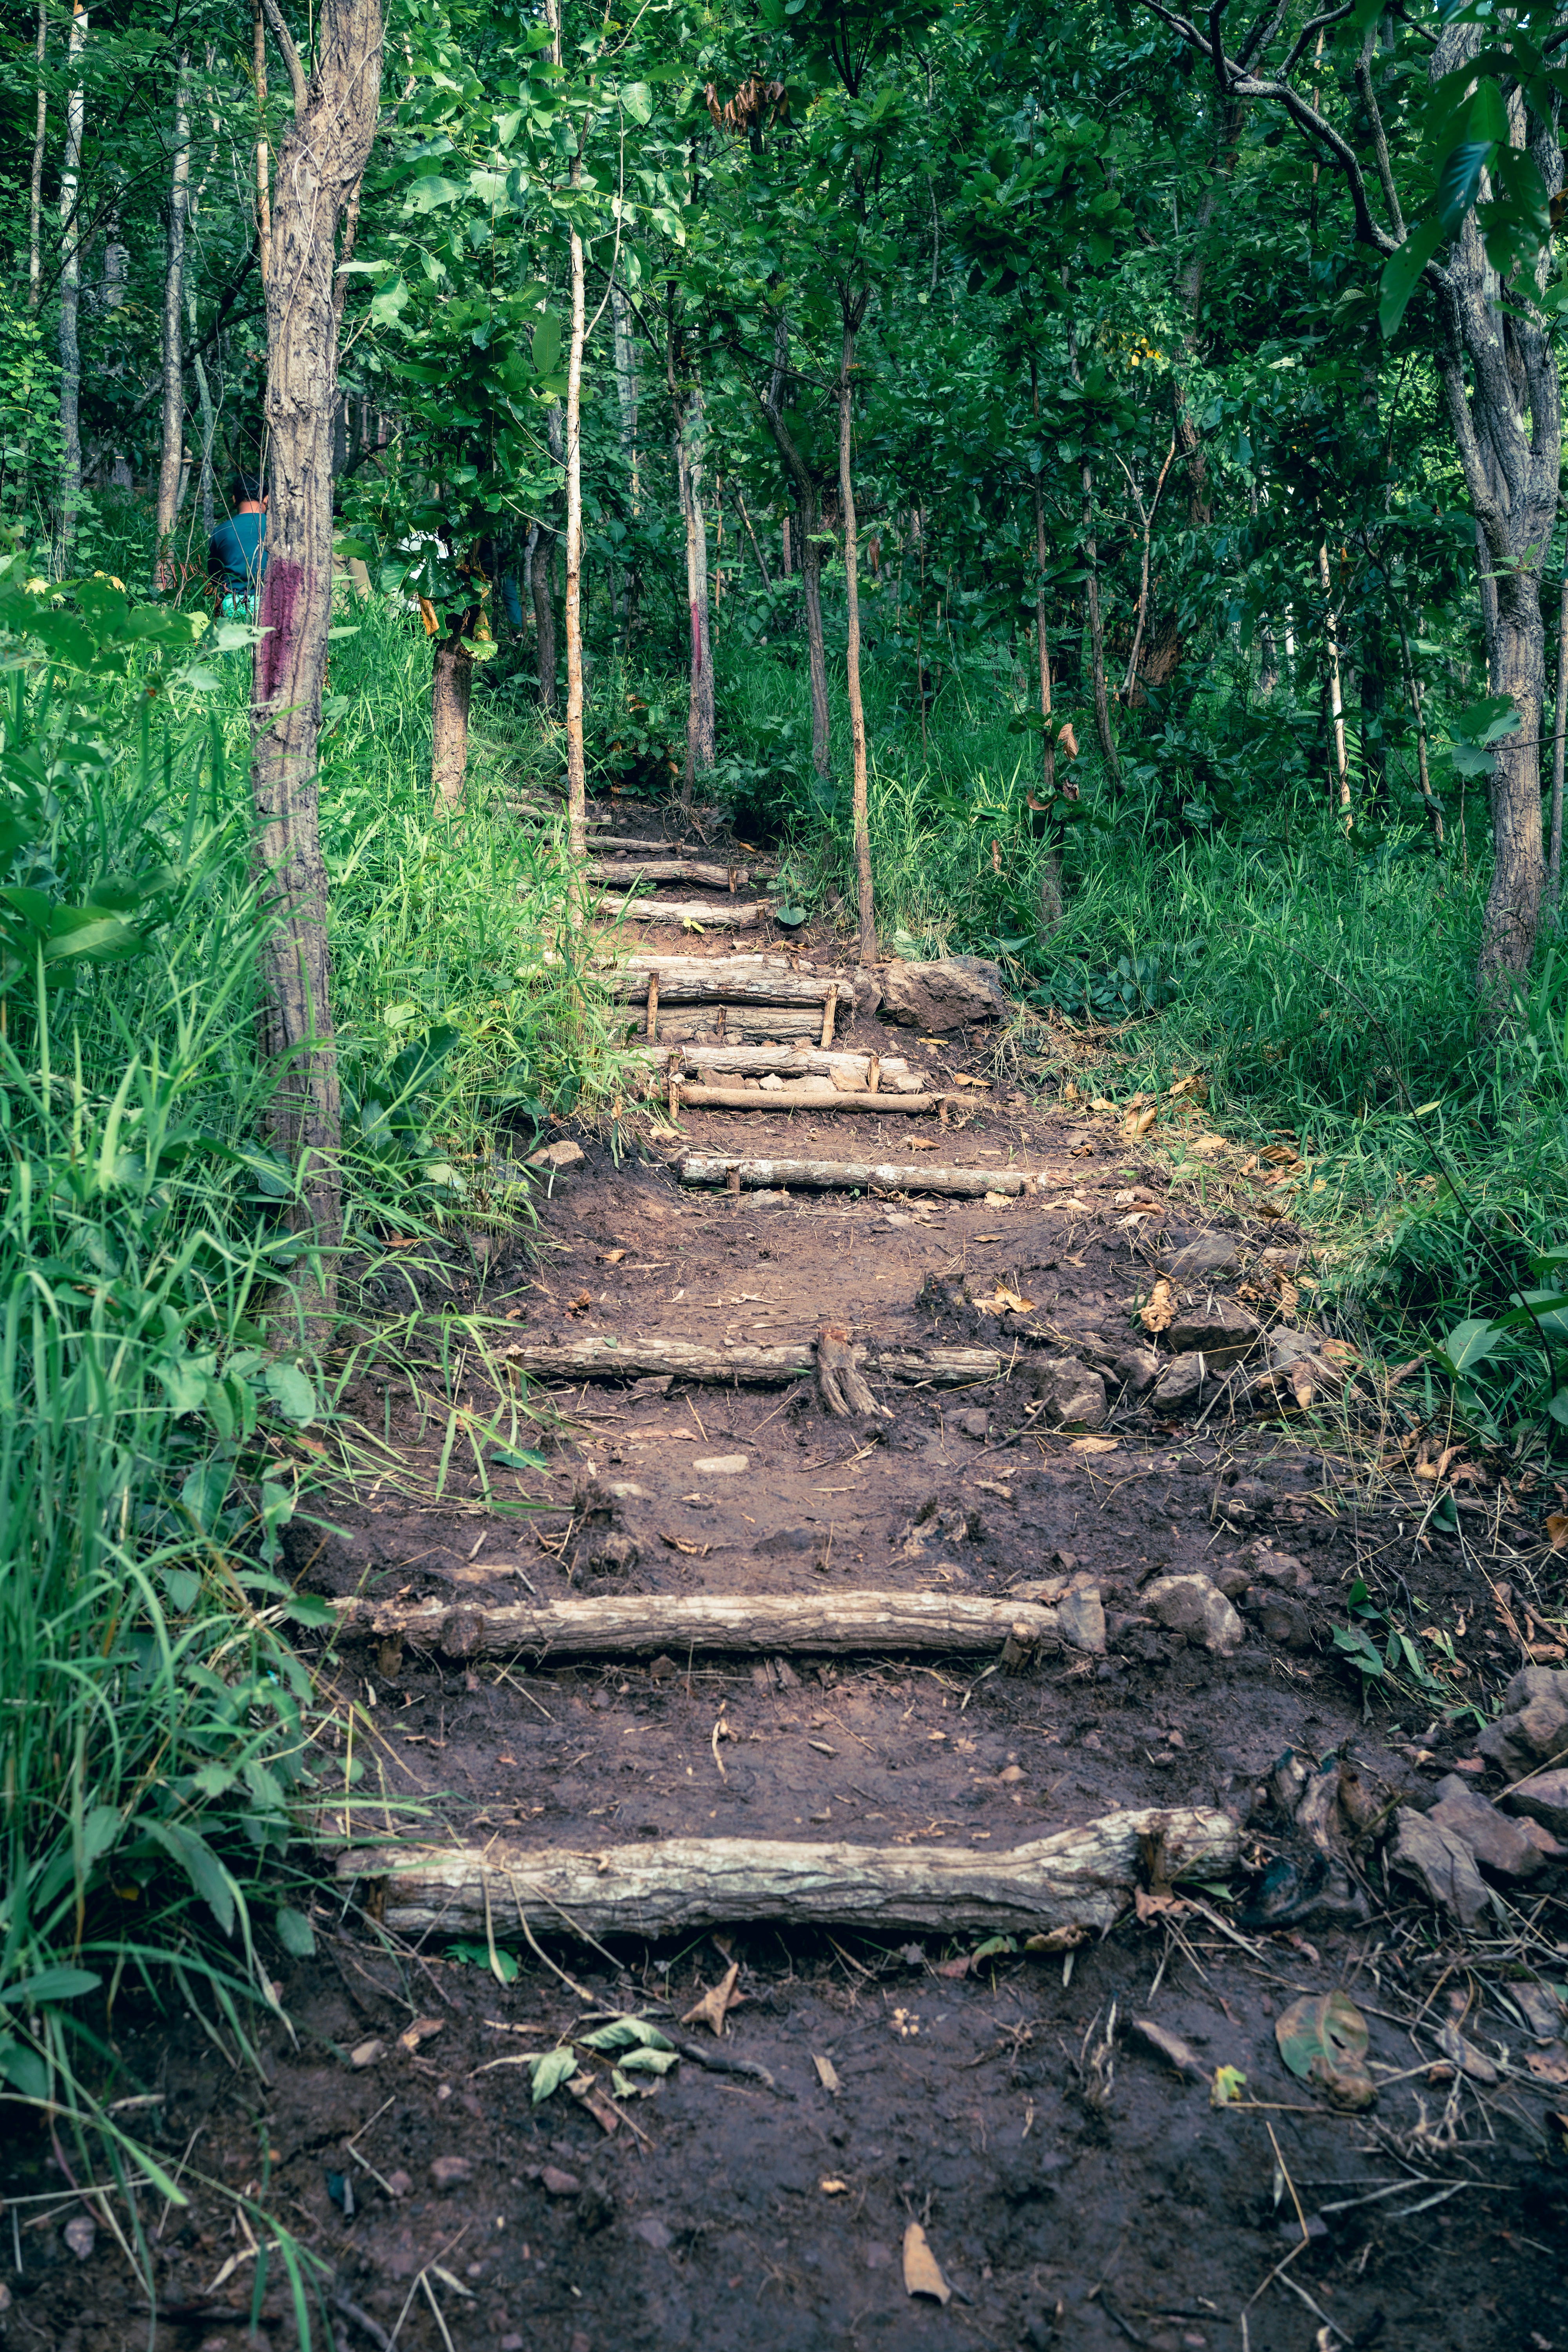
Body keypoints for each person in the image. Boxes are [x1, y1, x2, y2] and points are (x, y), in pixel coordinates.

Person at [208, 473, 269, 617]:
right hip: (271, 604)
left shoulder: (220, 531)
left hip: (233, 605)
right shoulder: (278, 528)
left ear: (235, 499)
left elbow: (215, 577)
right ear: (266, 499)